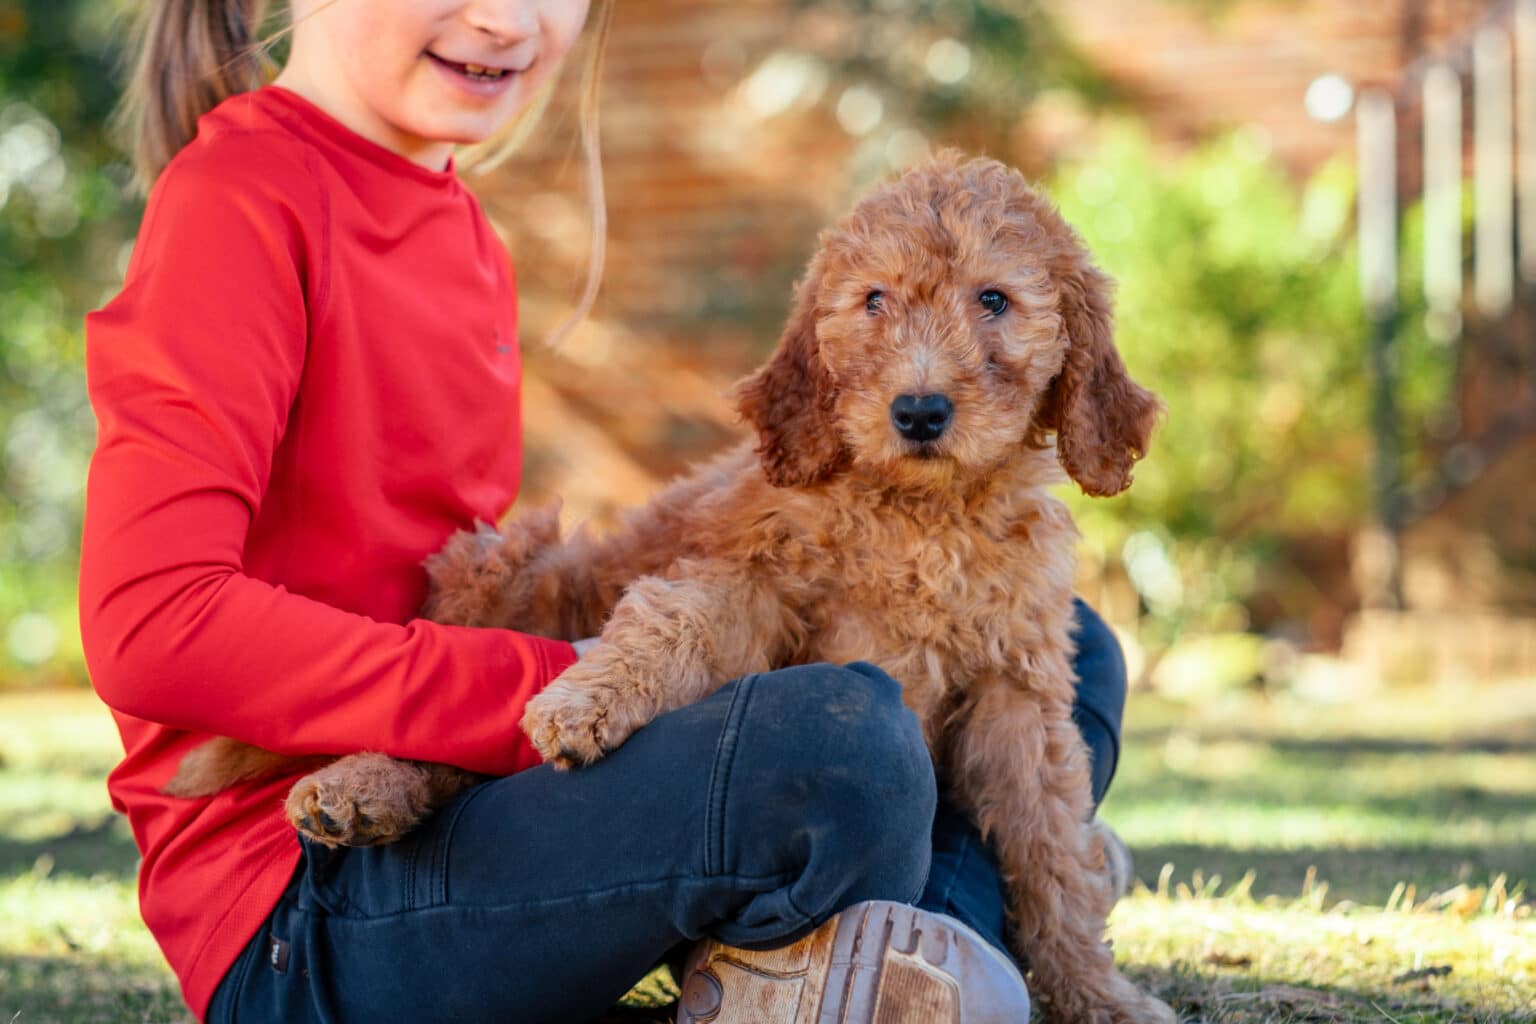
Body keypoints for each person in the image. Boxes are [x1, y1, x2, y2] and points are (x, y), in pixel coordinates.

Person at [77, 2, 1133, 1022]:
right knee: (843, 740)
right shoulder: (240, 194)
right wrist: (568, 676)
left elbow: (455, 588)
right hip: (304, 908)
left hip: (474, 812)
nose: (504, 18)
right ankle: (928, 934)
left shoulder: (465, 234)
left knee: (1068, 655)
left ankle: (906, 964)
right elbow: (152, 628)